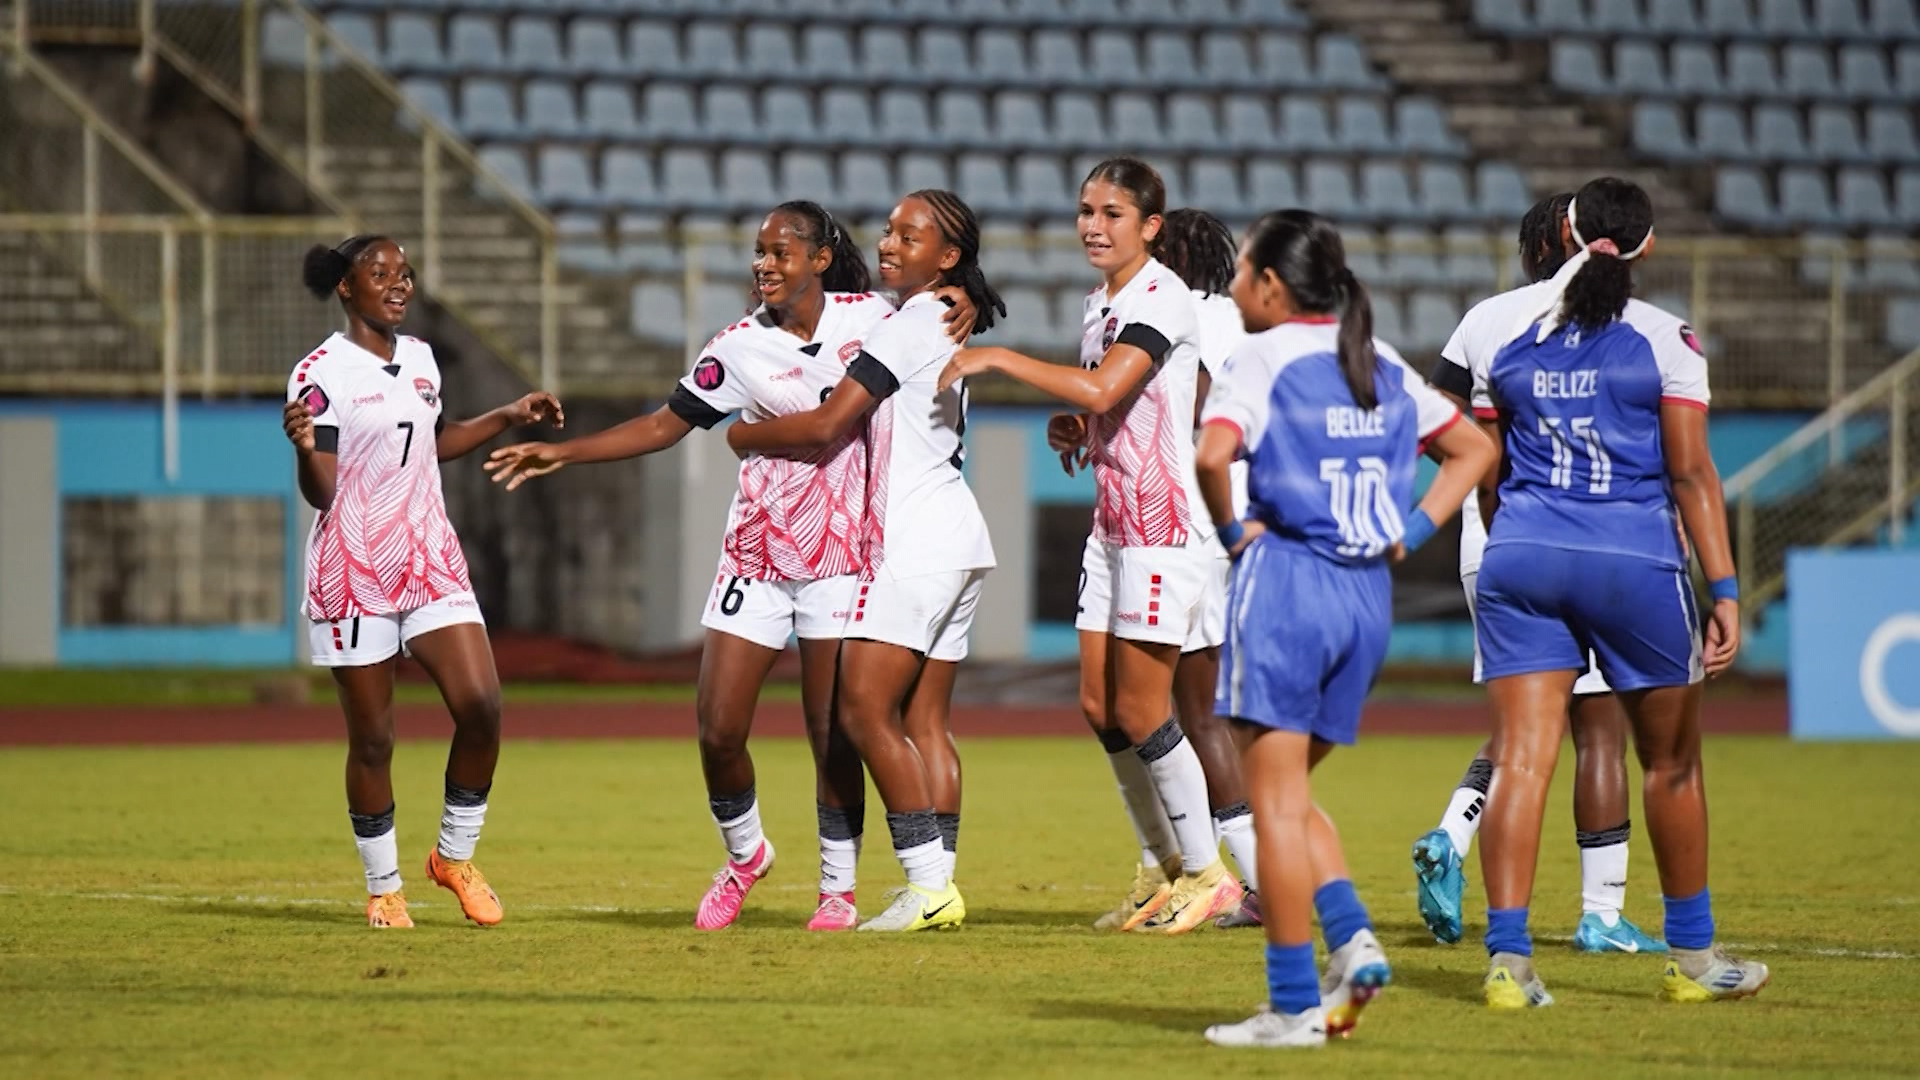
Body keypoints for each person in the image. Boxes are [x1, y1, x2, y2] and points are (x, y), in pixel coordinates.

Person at [484, 202, 975, 932]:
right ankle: (746, 854)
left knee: (831, 731)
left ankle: (836, 891)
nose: (765, 265)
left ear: (819, 258)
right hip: (759, 553)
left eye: (781, 252)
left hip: (843, 556)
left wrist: (958, 293)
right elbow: (663, 423)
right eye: (759, 253)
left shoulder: (871, 315)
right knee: (717, 725)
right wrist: (565, 452)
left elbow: (938, 309)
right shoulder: (737, 347)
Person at [1461, 176, 1766, 1008]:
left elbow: (1489, 473)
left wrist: (1518, 536)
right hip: (1633, 563)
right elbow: (1692, 473)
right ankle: (1696, 963)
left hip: (1521, 555)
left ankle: (1508, 964)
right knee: (1669, 764)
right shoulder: (1666, 340)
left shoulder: (1510, 338)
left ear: (1562, 233)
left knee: (1522, 758)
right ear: (1648, 246)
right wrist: (1727, 589)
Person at [1195, 211, 1496, 1048]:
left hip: (1288, 581)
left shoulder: (1260, 355)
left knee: (1273, 805)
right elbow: (1473, 450)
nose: (1233, 285)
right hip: (1366, 598)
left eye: (1242, 270)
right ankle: (1353, 940)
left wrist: (1230, 533)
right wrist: (1414, 529)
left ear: (1272, 286)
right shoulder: (1382, 359)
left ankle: (1292, 1006)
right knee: (1289, 793)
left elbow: (1213, 456)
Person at [941, 160, 1241, 935]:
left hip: (1160, 526)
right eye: (1084, 210)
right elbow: (1107, 402)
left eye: (1112, 212)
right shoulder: (1100, 301)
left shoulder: (1163, 296)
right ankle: (1162, 865)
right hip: (1112, 525)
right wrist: (1076, 425)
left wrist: (999, 357)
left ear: (1151, 228)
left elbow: (1109, 386)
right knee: (1099, 705)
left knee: (1145, 707)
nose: (1092, 225)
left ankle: (1210, 875)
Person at [725, 190, 1004, 932]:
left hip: (913, 541)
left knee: (861, 710)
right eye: (888, 230)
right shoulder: (941, 309)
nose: (888, 243)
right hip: (958, 536)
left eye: (909, 235)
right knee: (926, 722)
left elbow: (825, 423)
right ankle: (937, 884)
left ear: (946, 257)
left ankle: (927, 885)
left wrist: (742, 438)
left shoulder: (915, 320)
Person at [281, 235, 563, 929]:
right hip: (356, 566)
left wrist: (503, 417)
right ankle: (384, 887)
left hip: (427, 556)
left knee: (482, 704)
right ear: (347, 288)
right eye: (381, 275)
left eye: (405, 274)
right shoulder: (320, 374)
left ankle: (453, 858)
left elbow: (430, 442)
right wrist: (303, 447)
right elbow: (323, 490)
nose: (398, 285)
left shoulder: (423, 359)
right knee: (374, 740)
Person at [1412, 193, 1666, 955]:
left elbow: (1437, 421)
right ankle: (1602, 912)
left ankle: (1453, 837)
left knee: (1523, 725)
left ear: (1541, 246)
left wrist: (1495, 474)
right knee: (1597, 734)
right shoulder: (1628, 327)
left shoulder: (1487, 318)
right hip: (1581, 539)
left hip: (1492, 541)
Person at [1085, 207, 1264, 930]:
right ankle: (1188, 868)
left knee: (1189, 709)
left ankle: (1245, 879)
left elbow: (1193, 405)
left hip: (1197, 521)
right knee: (1156, 709)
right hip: (1193, 518)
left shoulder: (1193, 314)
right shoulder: (1203, 315)